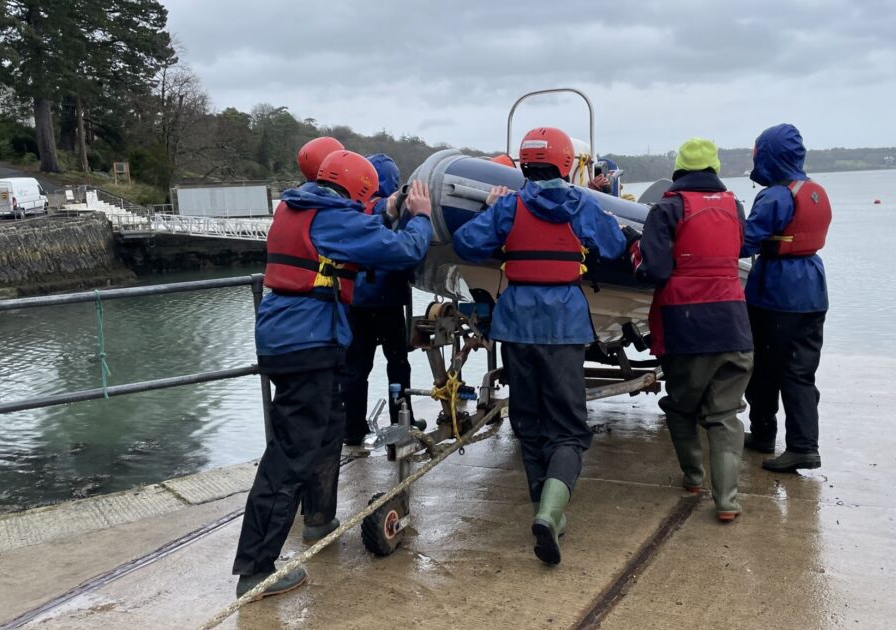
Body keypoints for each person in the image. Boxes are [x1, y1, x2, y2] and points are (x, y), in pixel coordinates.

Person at [232, 150, 433, 599]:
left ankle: (318, 520)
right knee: (288, 456)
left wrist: (389, 206)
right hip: (307, 343)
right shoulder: (333, 222)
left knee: (326, 432)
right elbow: (405, 250)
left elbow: (353, 218)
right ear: (359, 188)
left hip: (298, 339)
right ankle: (257, 569)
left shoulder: (297, 207)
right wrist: (418, 217)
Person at [452, 126, 625, 566]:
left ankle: (541, 509)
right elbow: (615, 244)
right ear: (567, 163)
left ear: (524, 164)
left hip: (517, 325)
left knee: (529, 423)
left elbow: (467, 243)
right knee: (568, 428)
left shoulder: (508, 206)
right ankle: (551, 513)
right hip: (564, 324)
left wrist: (490, 209)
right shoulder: (582, 204)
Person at [630, 138, 753, 521]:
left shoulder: (667, 208)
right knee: (726, 413)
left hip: (686, 324)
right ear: (715, 170)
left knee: (681, 406)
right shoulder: (734, 206)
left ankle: (693, 478)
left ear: (678, 171)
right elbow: (743, 248)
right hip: (733, 322)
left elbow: (657, 269)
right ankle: (728, 502)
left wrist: (634, 247)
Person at [740, 124, 832, 473]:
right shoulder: (816, 192)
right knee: (801, 372)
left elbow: (746, 242)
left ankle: (766, 433)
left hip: (777, 291)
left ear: (768, 156)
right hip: (814, 288)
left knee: (763, 368)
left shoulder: (776, 196)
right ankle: (803, 443)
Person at [340, 154, 415, 446]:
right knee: (397, 362)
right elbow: (408, 253)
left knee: (356, 366)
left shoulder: (351, 210)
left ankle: (353, 427)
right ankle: (401, 421)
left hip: (355, 301)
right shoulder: (395, 211)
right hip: (388, 300)